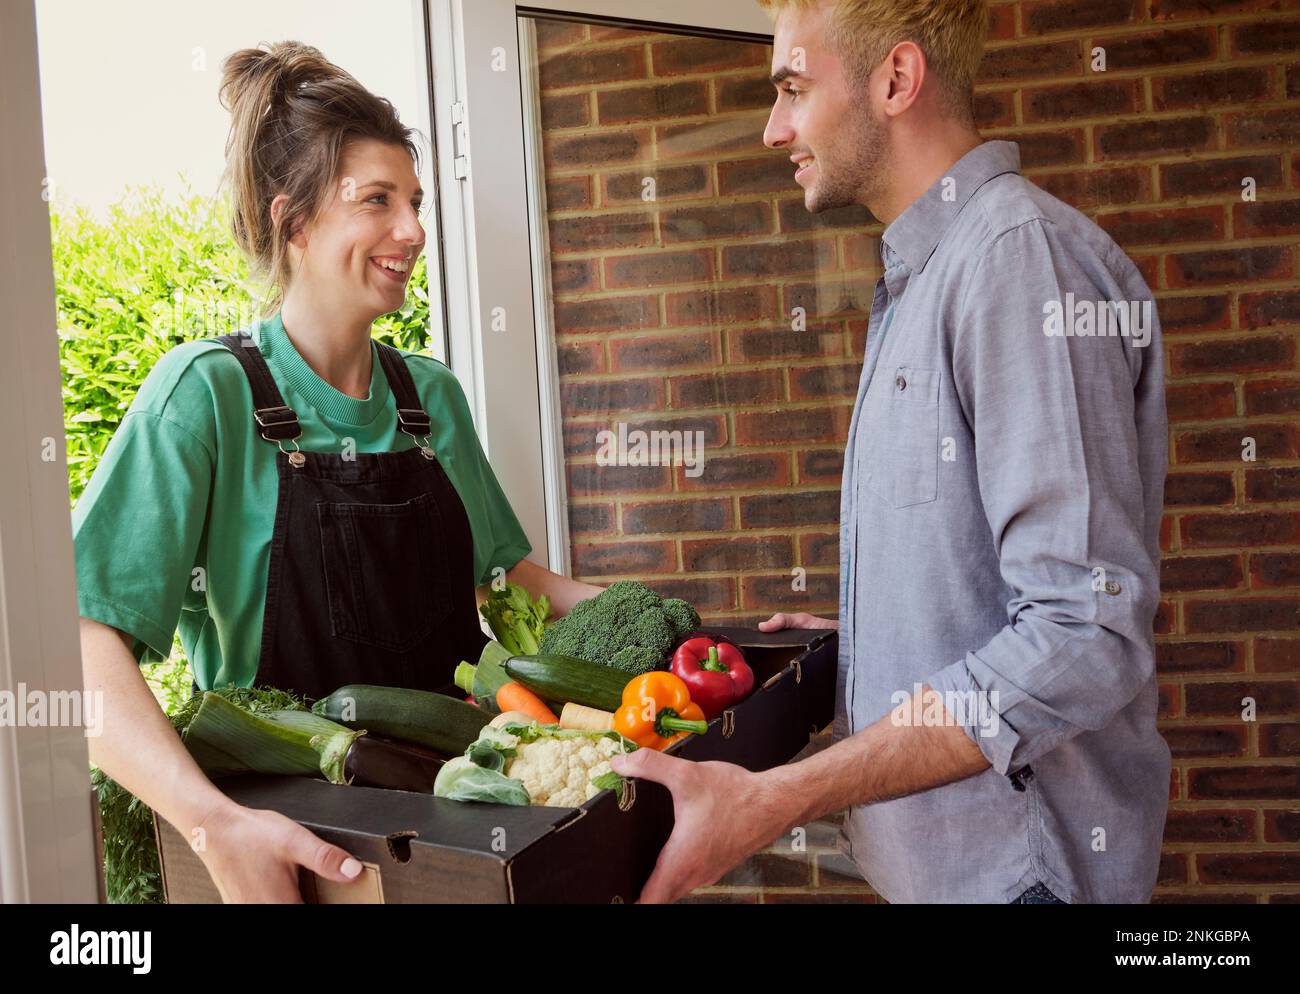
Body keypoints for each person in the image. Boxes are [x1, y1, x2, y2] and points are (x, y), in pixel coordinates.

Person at [612, 0, 1171, 904]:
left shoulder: (1016, 264)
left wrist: (776, 798)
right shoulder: (924, 277)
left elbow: (1084, 629)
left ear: (897, 80)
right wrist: (883, 635)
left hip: (1017, 880)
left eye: (792, 88)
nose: (773, 128)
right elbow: (1003, 586)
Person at [75, 42, 601, 902]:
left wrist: (674, 631)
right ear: (295, 222)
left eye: (417, 202)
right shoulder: (207, 395)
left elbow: (510, 584)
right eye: (378, 202)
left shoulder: (427, 398)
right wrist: (213, 826)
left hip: (459, 828)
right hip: (294, 855)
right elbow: (84, 644)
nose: (414, 231)